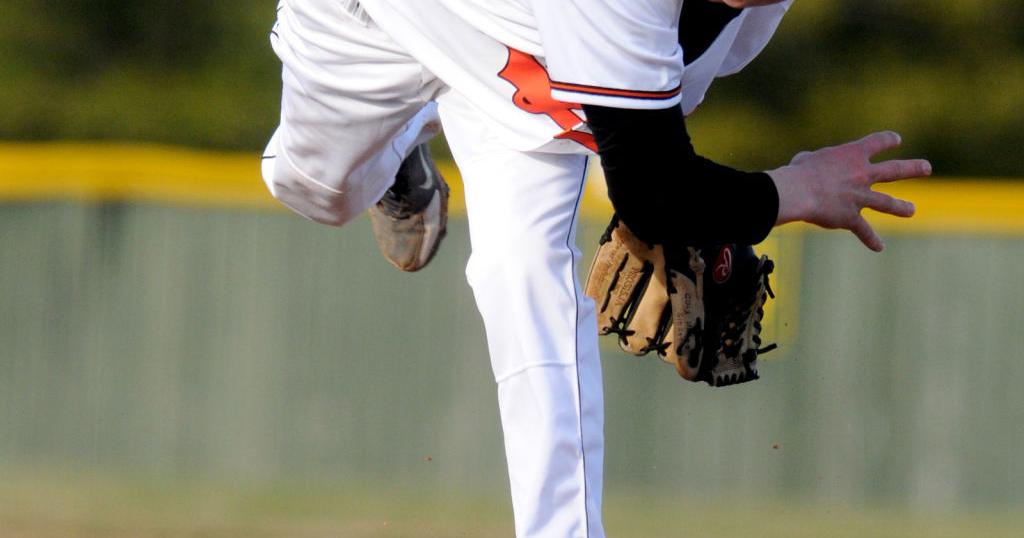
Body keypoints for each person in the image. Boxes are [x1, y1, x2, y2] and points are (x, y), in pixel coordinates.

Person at [260, 1, 931, 536]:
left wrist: (693, 225)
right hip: (377, 24)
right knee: (315, 189)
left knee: (523, 279)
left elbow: (638, 129)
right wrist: (788, 191)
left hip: (520, 90)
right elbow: (654, 186)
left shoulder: (755, 17)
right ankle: (401, 145)